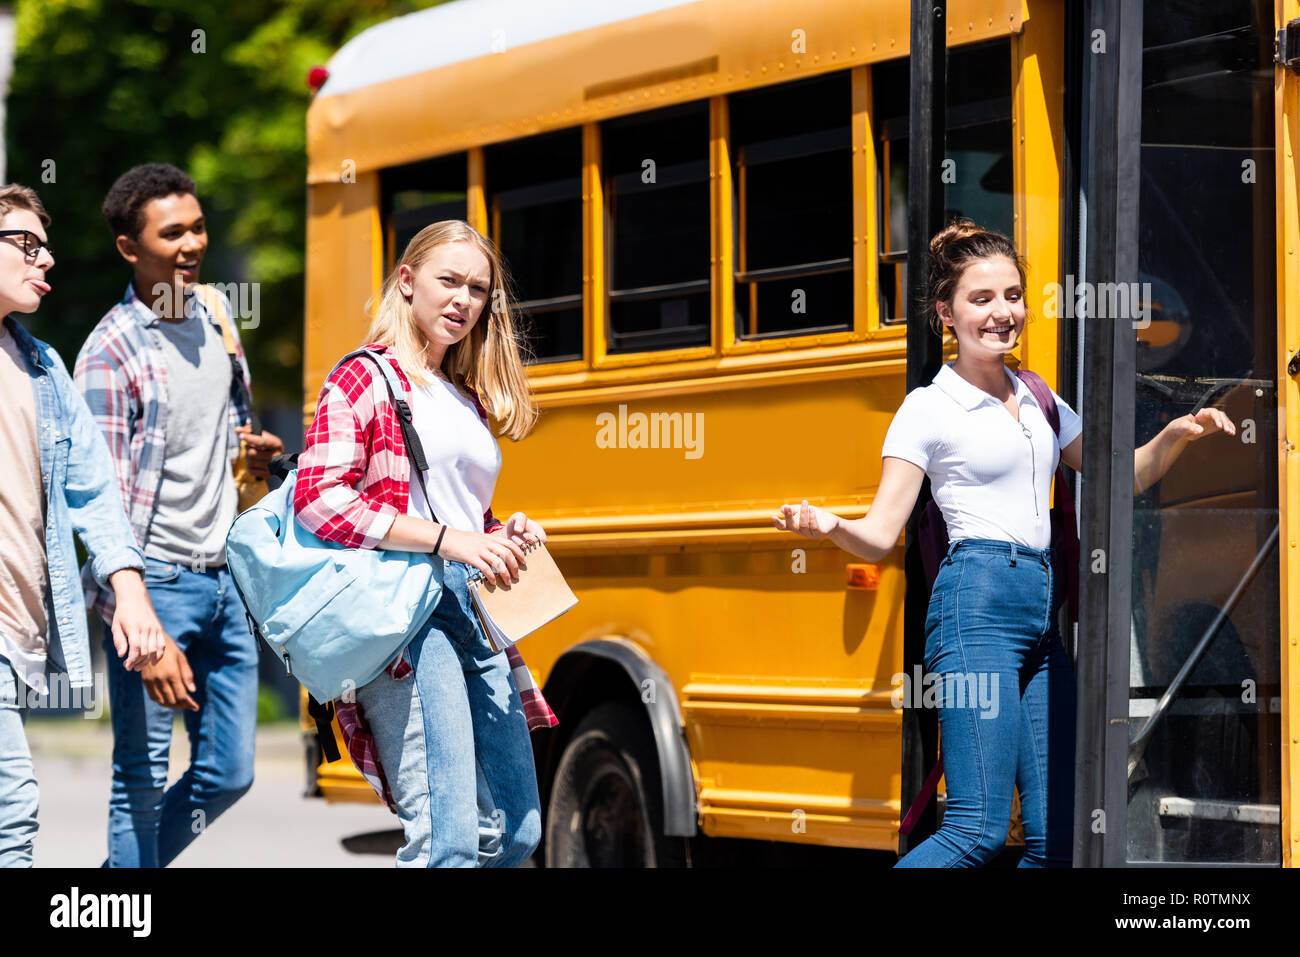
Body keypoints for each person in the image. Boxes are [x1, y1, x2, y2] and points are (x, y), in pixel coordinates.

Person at [773, 220, 1235, 867]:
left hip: (1040, 620)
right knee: (976, 830)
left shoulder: (1039, 396)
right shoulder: (928, 409)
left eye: (1012, 295)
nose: (1002, 313)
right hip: (975, 610)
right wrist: (829, 525)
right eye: (981, 298)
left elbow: (1119, 475)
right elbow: (880, 534)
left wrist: (1179, 435)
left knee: (1057, 841)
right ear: (946, 312)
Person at [293, 219, 557, 867]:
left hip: (475, 613)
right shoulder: (364, 377)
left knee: (518, 830)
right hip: (404, 618)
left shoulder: (466, 395)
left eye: (477, 289)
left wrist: (501, 535)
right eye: (449, 281)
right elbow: (318, 498)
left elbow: (464, 514)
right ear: (407, 282)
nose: (463, 300)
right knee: (448, 835)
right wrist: (449, 540)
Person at [75, 163, 284, 867]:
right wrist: (140, 621)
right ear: (131, 248)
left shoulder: (217, 314)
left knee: (230, 771)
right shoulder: (110, 352)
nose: (192, 244)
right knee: (141, 772)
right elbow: (97, 501)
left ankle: (111, 889)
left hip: (227, 578)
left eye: (197, 227)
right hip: (154, 583)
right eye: (173, 234)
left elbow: (219, 428)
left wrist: (254, 452)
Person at [0, 184, 168, 868]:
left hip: (19, 632)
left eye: (48, 245)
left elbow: (96, 490)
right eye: (26, 244)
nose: (47, 259)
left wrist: (129, 592)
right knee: (12, 811)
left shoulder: (41, 368)